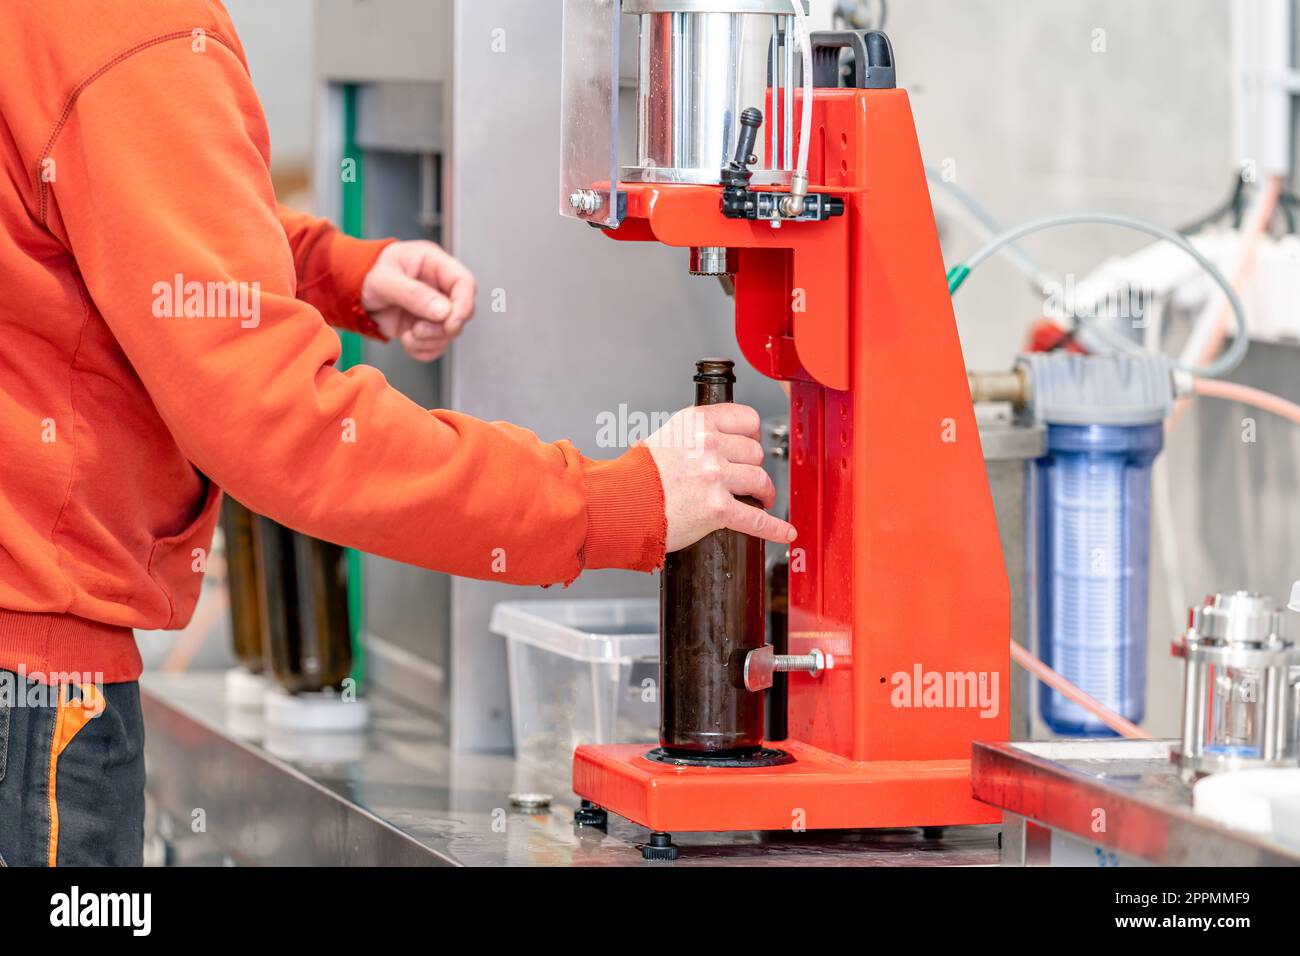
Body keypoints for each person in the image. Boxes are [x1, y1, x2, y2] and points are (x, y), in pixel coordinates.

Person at [0, 0, 796, 866]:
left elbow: (78, 210)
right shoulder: (127, 25)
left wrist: (330, 268)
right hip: (33, 689)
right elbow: (283, 426)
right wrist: (613, 501)